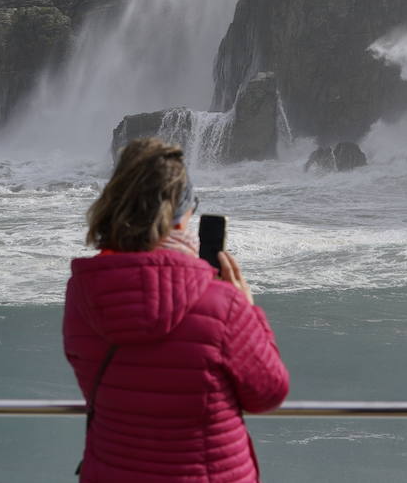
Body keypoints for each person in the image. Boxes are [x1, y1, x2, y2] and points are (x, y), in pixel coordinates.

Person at [64, 138, 289, 482]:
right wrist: (249, 311)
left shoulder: (83, 293)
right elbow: (267, 393)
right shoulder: (222, 303)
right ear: (181, 218)